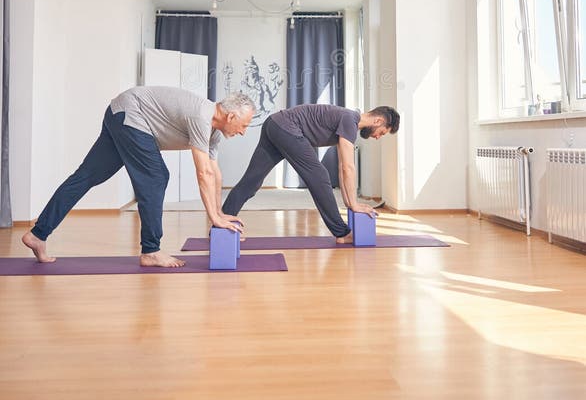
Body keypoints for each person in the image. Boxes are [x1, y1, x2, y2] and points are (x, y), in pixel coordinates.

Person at [22, 88, 255, 268]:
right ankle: (151, 251)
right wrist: (213, 217)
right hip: (130, 114)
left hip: (121, 113)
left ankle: (37, 234)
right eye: (243, 125)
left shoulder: (213, 132)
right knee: (156, 177)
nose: (243, 131)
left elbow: (214, 172)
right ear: (231, 116)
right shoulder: (200, 117)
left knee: (86, 177)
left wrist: (220, 212)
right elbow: (202, 172)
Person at [222, 103, 400, 243]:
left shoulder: (348, 120)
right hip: (286, 128)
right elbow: (348, 167)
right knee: (320, 176)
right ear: (378, 121)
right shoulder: (350, 120)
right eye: (382, 132)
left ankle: (222, 225)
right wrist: (354, 204)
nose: (378, 137)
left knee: (251, 181)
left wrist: (349, 202)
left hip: (274, 123)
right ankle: (341, 232)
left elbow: (342, 166)